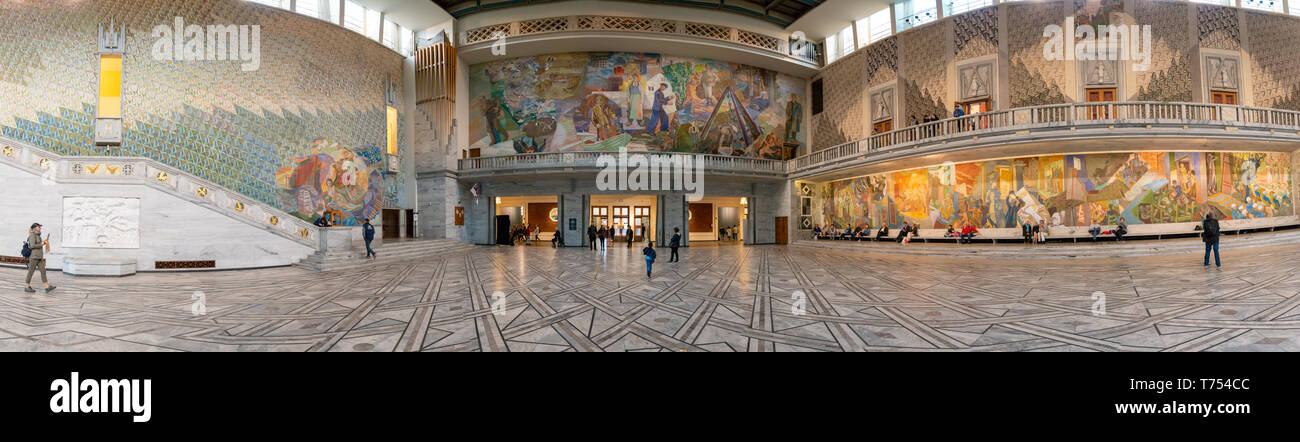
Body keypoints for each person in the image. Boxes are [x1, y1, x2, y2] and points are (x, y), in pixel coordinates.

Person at [24, 223, 54, 293]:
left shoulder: (38, 235)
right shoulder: (32, 235)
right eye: (39, 227)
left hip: (39, 257)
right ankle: (27, 286)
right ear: (35, 228)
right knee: (31, 272)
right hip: (33, 257)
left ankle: (47, 287)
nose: (40, 227)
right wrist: (42, 243)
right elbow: (32, 246)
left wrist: (44, 242)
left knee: (43, 271)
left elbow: (38, 245)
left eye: (40, 227)